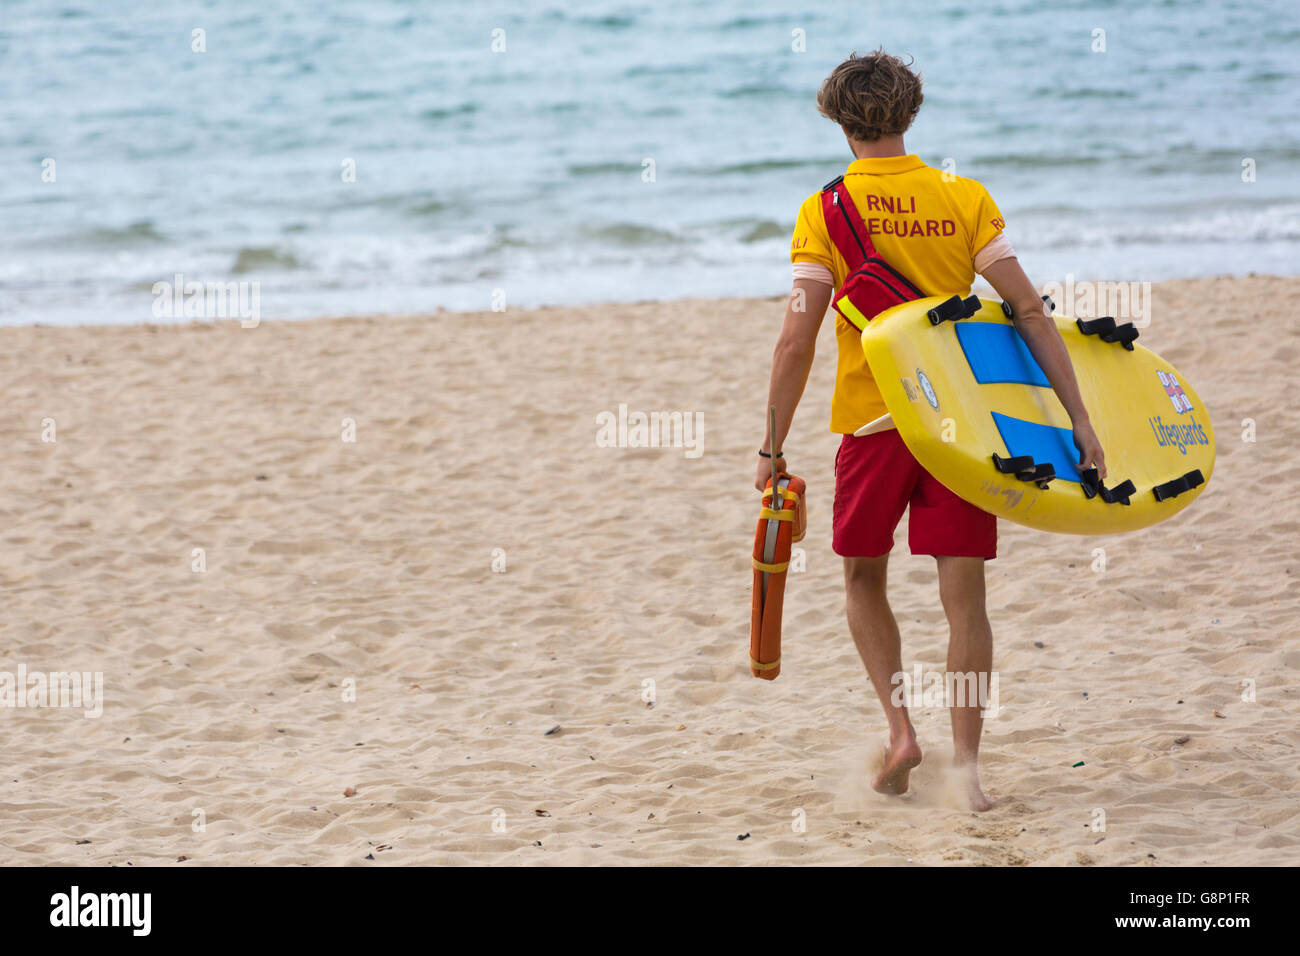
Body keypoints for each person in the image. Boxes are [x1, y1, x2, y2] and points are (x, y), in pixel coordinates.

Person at [756, 50, 1106, 811]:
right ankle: (969, 772)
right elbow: (1031, 311)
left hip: (876, 424)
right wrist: (1079, 417)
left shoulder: (826, 210)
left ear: (839, 121)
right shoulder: (963, 195)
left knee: (861, 576)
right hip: (959, 425)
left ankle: (900, 730)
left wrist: (772, 447)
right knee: (965, 600)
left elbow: (797, 339)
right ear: (911, 114)